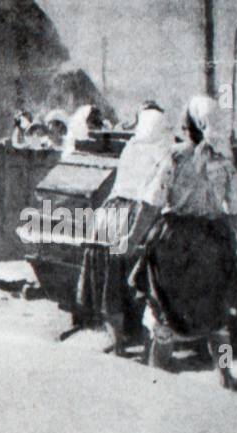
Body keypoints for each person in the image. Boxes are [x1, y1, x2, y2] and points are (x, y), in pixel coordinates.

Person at [125, 96, 237, 387]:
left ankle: (157, 377)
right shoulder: (224, 163)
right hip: (212, 245)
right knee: (218, 319)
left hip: (174, 244)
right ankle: (225, 375)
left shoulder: (174, 157)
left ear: (188, 126)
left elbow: (151, 205)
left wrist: (133, 239)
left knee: (163, 315)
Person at [75, 103, 172, 355]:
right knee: (141, 281)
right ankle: (149, 341)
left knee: (109, 281)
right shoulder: (164, 152)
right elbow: (153, 198)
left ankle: (117, 341)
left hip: (110, 214)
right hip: (134, 216)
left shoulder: (131, 147)